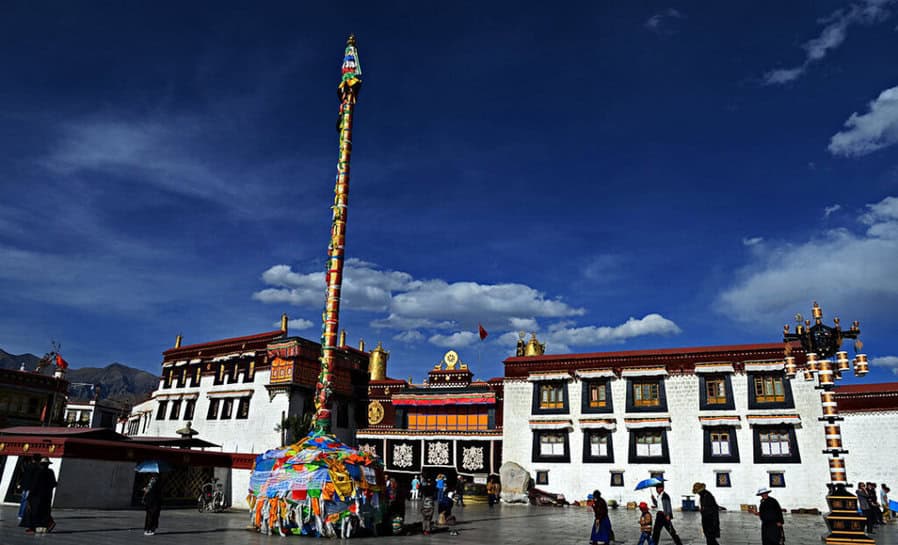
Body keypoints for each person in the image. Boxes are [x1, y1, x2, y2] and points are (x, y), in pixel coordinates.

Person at [19, 457, 56, 534]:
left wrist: (30, 496)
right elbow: (54, 484)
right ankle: (47, 525)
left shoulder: (39, 472)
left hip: (36, 496)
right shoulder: (51, 472)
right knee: (44, 511)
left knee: (33, 511)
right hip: (47, 496)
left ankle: (32, 528)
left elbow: (34, 485)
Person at [17, 454, 40, 522]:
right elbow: (35, 479)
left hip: (25, 486)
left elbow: (23, 476)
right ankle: (23, 515)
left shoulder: (27, 466)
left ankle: (20, 514)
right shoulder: (37, 468)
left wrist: (20, 484)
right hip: (30, 487)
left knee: (23, 500)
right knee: (27, 501)